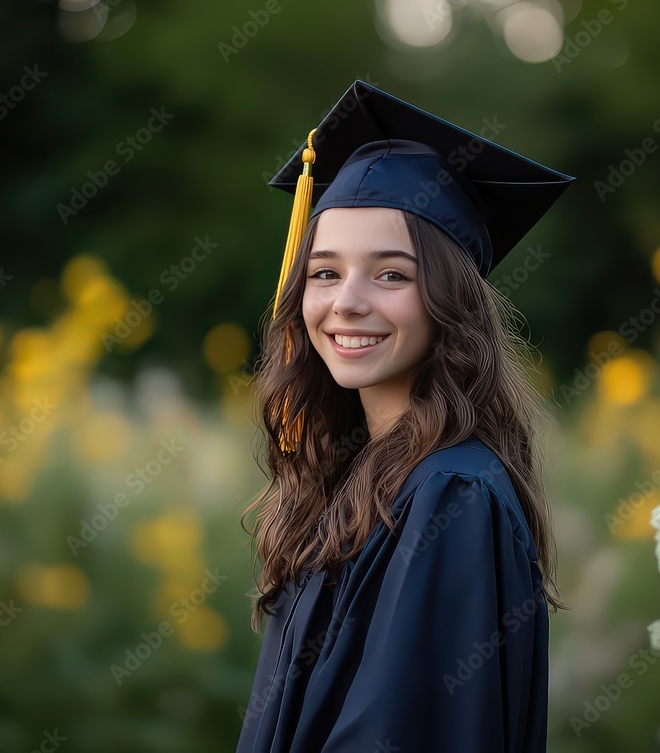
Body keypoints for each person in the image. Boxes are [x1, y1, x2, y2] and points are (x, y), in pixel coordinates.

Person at [236, 79, 574, 753]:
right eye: (325, 273)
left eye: (391, 275)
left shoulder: (453, 493)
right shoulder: (356, 476)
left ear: (450, 301)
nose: (347, 302)